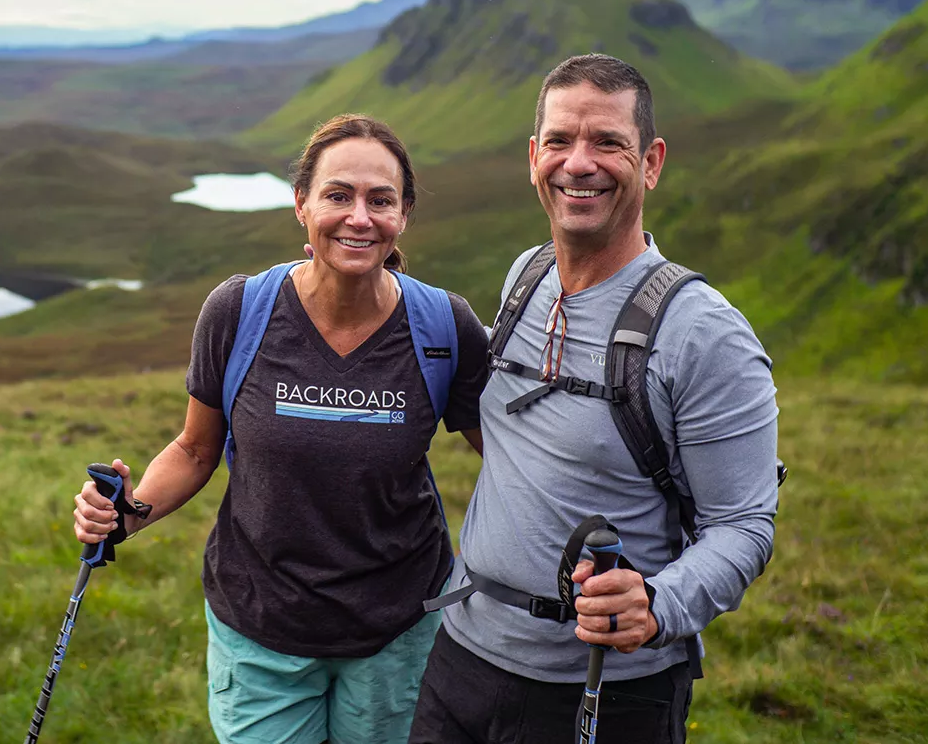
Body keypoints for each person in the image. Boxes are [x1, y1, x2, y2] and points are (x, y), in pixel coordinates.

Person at [73, 114, 489, 744]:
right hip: (259, 628)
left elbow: (512, 459)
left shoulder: (443, 326)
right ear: (302, 205)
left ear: (403, 214)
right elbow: (194, 448)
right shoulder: (239, 311)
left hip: (398, 632)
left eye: (381, 200)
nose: (359, 217)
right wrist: (126, 515)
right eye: (338, 195)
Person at [408, 54, 780, 744]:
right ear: (533, 156)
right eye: (560, 141)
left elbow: (745, 523)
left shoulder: (704, 333)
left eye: (608, 142)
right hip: (461, 657)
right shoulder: (528, 274)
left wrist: (658, 603)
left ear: (652, 161)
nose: (579, 163)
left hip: (604, 691)